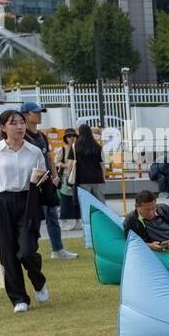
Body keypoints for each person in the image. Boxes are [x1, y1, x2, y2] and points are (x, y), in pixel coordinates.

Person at [0, 109, 50, 312]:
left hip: (28, 202)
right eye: (13, 123)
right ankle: (19, 299)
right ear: (3, 127)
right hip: (3, 202)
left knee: (26, 251)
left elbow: (42, 178)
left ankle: (39, 281)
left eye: (21, 122)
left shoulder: (34, 151)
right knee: (8, 253)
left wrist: (47, 179)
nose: (19, 127)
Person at [21, 101, 77, 260]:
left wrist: (55, 175)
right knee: (31, 220)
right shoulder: (23, 136)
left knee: (52, 215)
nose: (39, 115)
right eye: (36, 112)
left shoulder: (41, 135)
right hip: (31, 185)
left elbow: (48, 157)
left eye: (40, 112)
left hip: (46, 184)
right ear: (26, 115)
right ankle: (29, 251)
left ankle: (57, 250)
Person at [71, 123, 106, 202]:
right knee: (100, 204)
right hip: (97, 179)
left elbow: (71, 163)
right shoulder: (98, 147)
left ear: (79, 132)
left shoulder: (75, 146)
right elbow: (102, 164)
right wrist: (103, 178)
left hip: (82, 180)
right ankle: (100, 215)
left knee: (85, 205)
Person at [55, 129, 81, 223]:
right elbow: (57, 162)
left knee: (77, 199)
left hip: (77, 177)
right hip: (66, 177)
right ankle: (65, 221)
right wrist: (67, 166)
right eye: (69, 136)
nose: (72, 138)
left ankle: (77, 220)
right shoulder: (62, 149)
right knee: (66, 198)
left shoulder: (78, 149)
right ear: (65, 138)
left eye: (74, 136)